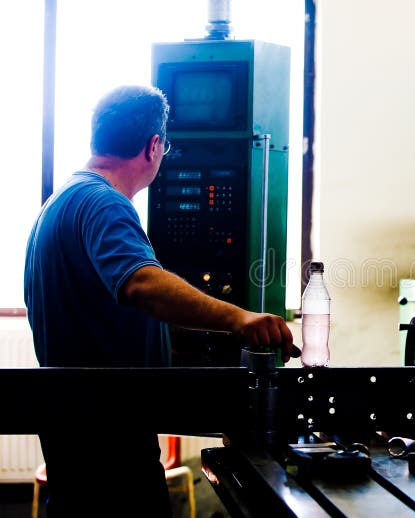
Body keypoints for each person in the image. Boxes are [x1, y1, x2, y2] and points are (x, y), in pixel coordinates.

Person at [24, 85, 295, 517]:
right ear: (154, 146)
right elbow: (141, 284)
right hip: (109, 448)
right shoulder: (102, 204)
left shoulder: (57, 204)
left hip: (74, 440)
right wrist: (238, 318)